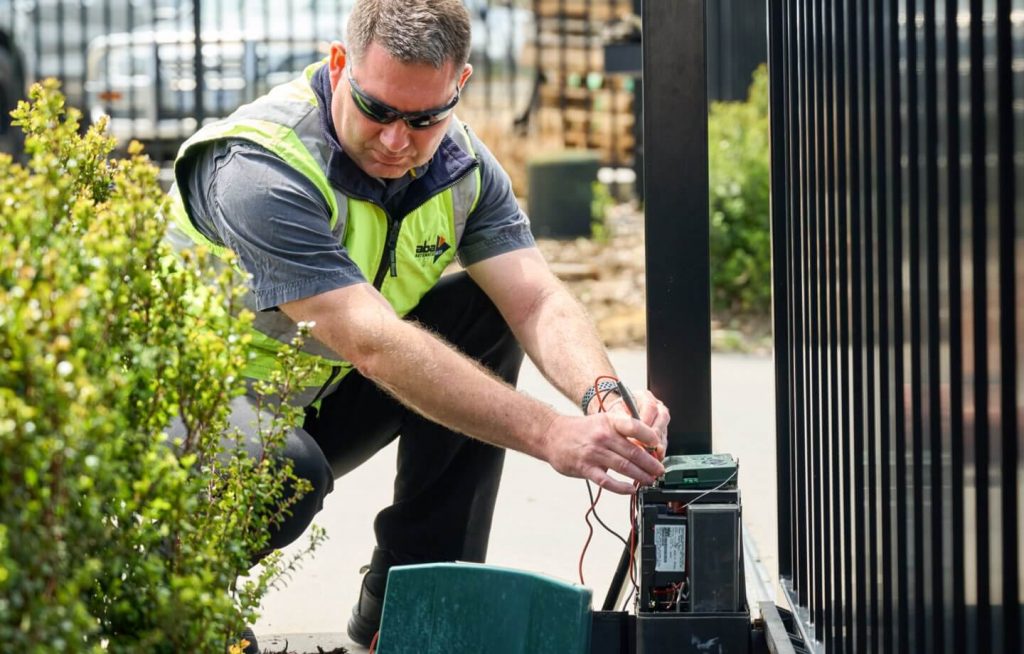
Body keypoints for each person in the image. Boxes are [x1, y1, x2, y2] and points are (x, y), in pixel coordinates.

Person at [165, 0, 670, 649]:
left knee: (482, 314)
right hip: (188, 412)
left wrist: (603, 402)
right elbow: (371, 342)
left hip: (311, 397)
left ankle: (414, 604)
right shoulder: (260, 170)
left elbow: (536, 300)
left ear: (458, 87)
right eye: (377, 110)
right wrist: (554, 435)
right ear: (340, 64)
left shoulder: (461, 166)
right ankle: (167, 587)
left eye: (424, 118)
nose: (397, 140)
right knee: (286, 470)